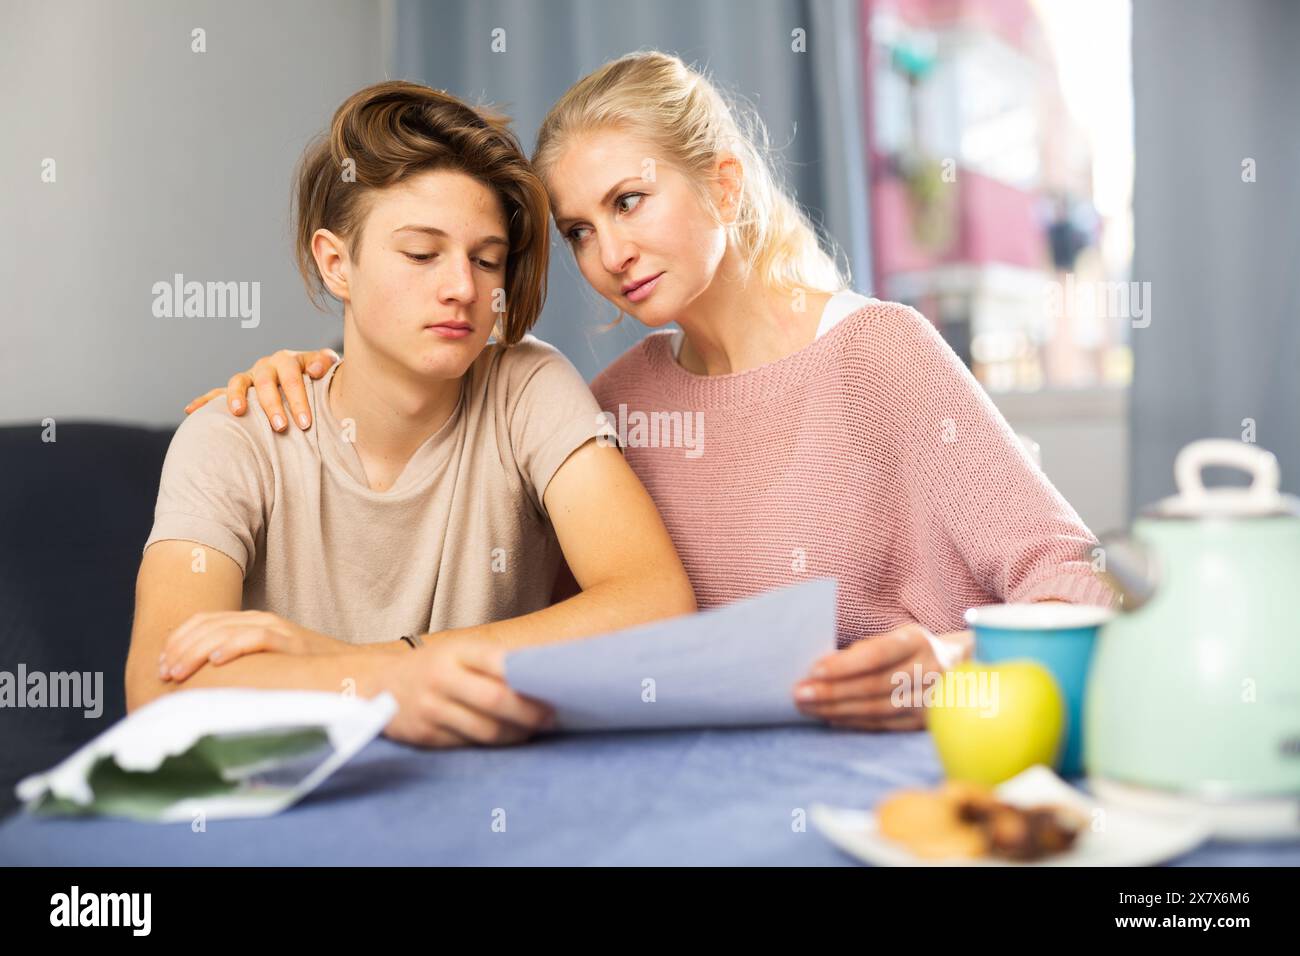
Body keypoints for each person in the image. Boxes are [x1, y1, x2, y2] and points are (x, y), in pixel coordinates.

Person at [184, 53, 1113, 734]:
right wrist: (313, 375)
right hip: (706, 785)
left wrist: (951, 661)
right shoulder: (617, 399)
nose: (608, 255)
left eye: (630, 201)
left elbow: (1078, 583)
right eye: (580, 230)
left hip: (912, 771)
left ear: (723, 182)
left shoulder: (879, 352)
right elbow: (552, 630)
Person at [127, 80, 696, 749]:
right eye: (422, 254)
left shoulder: (528, 387)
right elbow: (160, 690)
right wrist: (386, 686)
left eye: (487, 261)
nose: (463, 289)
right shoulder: (229, 435)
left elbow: (656, 604)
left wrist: (372, 660)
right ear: (336, 264)